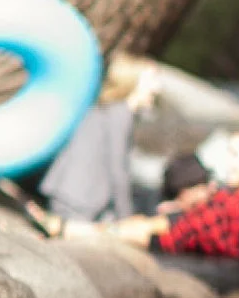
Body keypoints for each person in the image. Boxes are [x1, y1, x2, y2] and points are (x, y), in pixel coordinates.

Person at [102, 129, 239, 288]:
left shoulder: (235, 204)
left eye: (235, 154)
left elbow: (177, 236)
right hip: (206, 250)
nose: (229, 163)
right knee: (147, 223)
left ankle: (91, 232)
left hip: (180, 244)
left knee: (140, 227)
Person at [37, 55, 158, 224]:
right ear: (132, 81)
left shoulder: (112, 109)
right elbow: (118, 169)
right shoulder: (119, 114)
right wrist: (126, 217)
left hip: (71, 193)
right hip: (79, 198)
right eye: (151, 80)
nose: (156, 87)